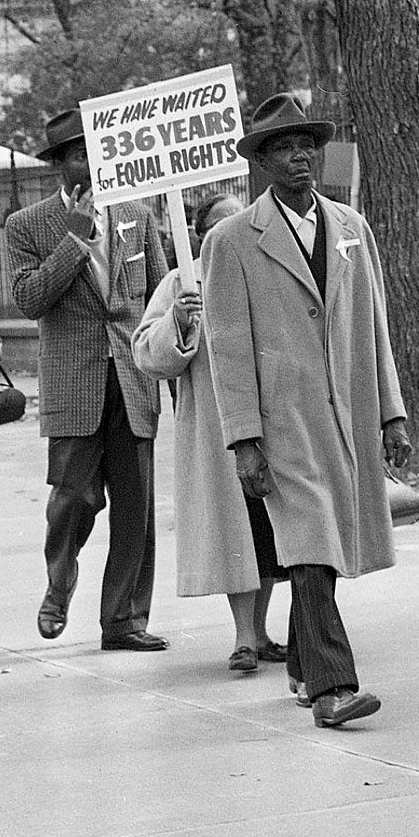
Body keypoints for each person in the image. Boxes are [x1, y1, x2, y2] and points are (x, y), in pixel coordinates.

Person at [200, 94, 409, 729]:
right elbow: (227, 347)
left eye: (307, 145)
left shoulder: (351, 226)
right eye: (284, 148)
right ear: (261, 161)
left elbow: (374, 324)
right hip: (281, 419)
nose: (300, 157)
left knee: (323, 542)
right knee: (311, 543)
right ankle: (331, 689)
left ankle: (298, 667)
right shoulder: (230, 240)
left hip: (347, 413)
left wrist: (391, 413)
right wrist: (243, 439)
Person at [4, 105, 171, 648]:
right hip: (73, 384)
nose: (92, 167)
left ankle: (123, 620)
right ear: (60, 165)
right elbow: (29, 300)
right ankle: (61, 578)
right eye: (80, 156)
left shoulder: (139, 216)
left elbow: (161, 300)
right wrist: (74, 240)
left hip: (134, 377)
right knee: (73, 498)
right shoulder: (26, 226)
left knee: (135, 507)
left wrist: (176, 368)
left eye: (99, 154)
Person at [134, 188, 288, 675]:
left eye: (238, 218)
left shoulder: (262, 265)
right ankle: (244, 636)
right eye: (219, 223)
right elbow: (146, 352)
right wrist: (178, 323)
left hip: (270, 416)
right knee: (234, 527)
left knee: (267, 530)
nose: (232, 228)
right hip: (216, 423)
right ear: (200, 237)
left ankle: (260, 632)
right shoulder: (182, 280)